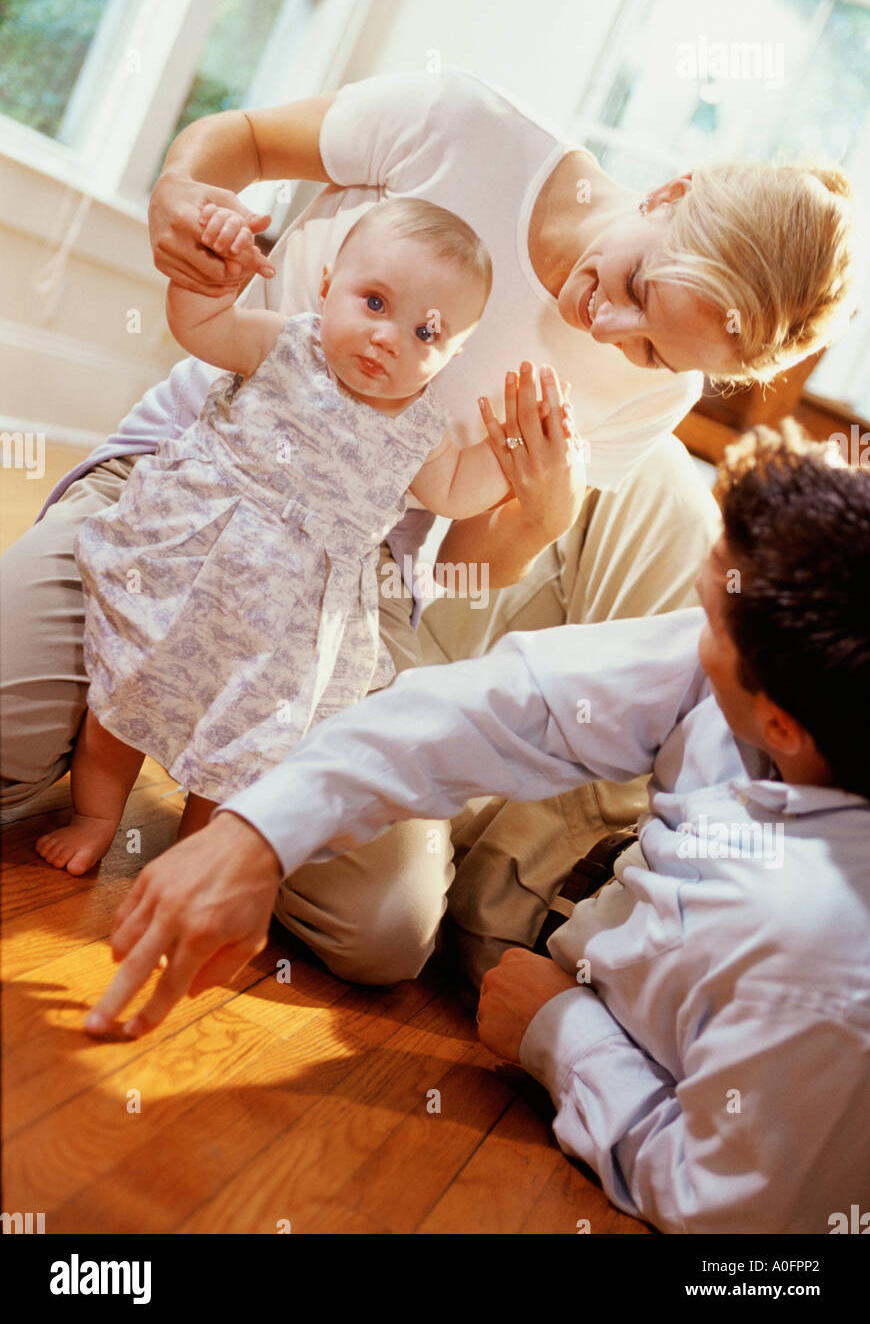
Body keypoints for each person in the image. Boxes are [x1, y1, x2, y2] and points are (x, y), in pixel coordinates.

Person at [1, 67, 857, 984]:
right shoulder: (467, 124)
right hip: (191, 487)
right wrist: (183, 192)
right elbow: (241, 139)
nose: (608, 327)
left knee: (383, 934)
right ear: (671, 192)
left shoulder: (657, 389)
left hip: (345, 593)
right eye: (639, 288)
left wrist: (544, 514)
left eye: (649, 345)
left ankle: (203, 790)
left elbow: (463, 568)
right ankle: (115, 745)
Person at [84, 425, 870, 1235]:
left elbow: (731, 1214)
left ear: (779, 725)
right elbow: (504, 705)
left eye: (708, 620)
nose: (688, 629)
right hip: (577, 854)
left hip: (536, 954)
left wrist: (561, 1034)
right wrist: (256, 835)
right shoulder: (779, 675)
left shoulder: (824, 969)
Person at [36, 196, 574, 873]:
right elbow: (201, 329)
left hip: (286, 625)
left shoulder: (420, 430)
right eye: (374, 303)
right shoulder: (281, 342)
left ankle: (189, 865)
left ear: (454, 354)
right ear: (327, 286)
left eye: (425, 334)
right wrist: (206, 288)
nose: (387, 338)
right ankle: (95, 816)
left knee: (242, 760)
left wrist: (515, 451)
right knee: (127, 693)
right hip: (193, 559)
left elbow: (458, 493)